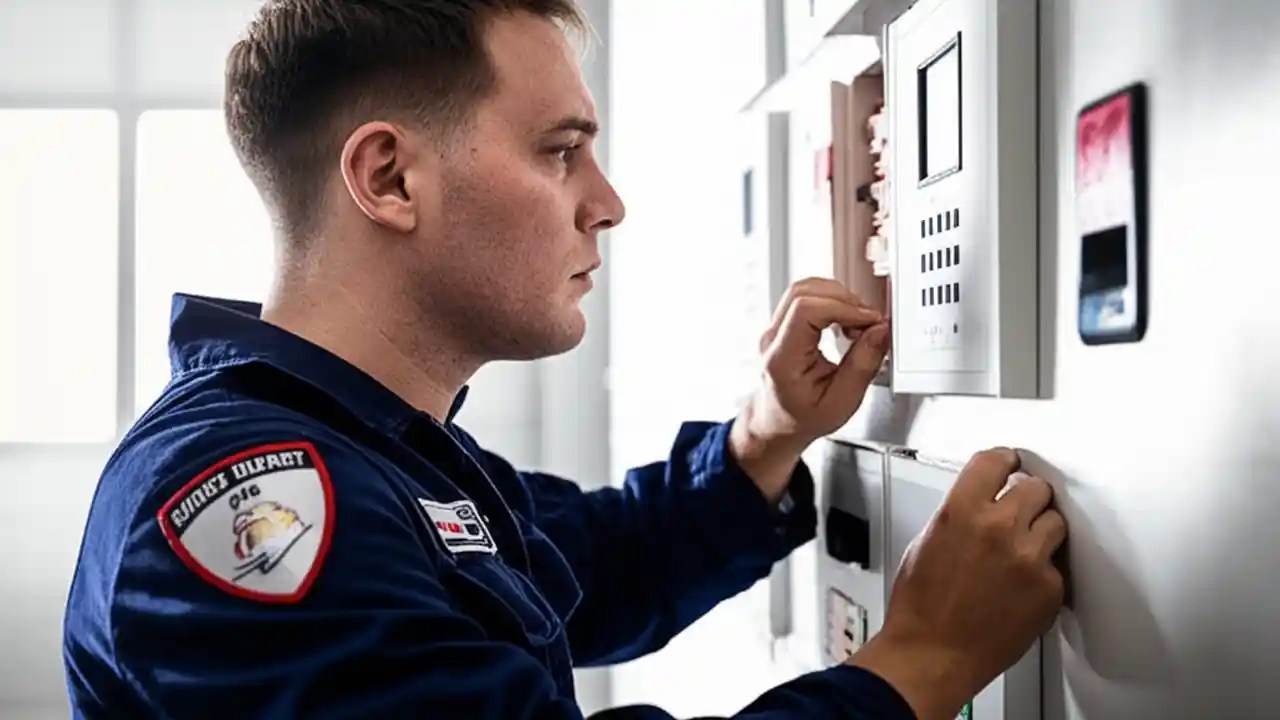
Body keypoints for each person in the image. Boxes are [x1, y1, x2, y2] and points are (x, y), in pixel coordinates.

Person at [61, 1, 1066, 718]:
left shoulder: (375, 455)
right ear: (389, 177)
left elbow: (593, 564)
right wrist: (915, 664)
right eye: (560, 148)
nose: (607, 201)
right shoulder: (247, 505)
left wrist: (764, 433)